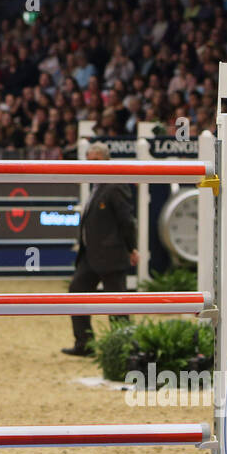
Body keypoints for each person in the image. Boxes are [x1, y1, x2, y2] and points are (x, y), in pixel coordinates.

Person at [62, 143, 138, 356]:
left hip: (112, 255)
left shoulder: (115, 185)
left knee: (117, 305)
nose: (91, 165)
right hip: (90, 255)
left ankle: (125, 348)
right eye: (89, 161)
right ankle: (84, 344)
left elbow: (126, 220)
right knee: (76, 293)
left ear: (107, 161)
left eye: (96, 160)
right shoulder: (96, 186)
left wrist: (132, 248)